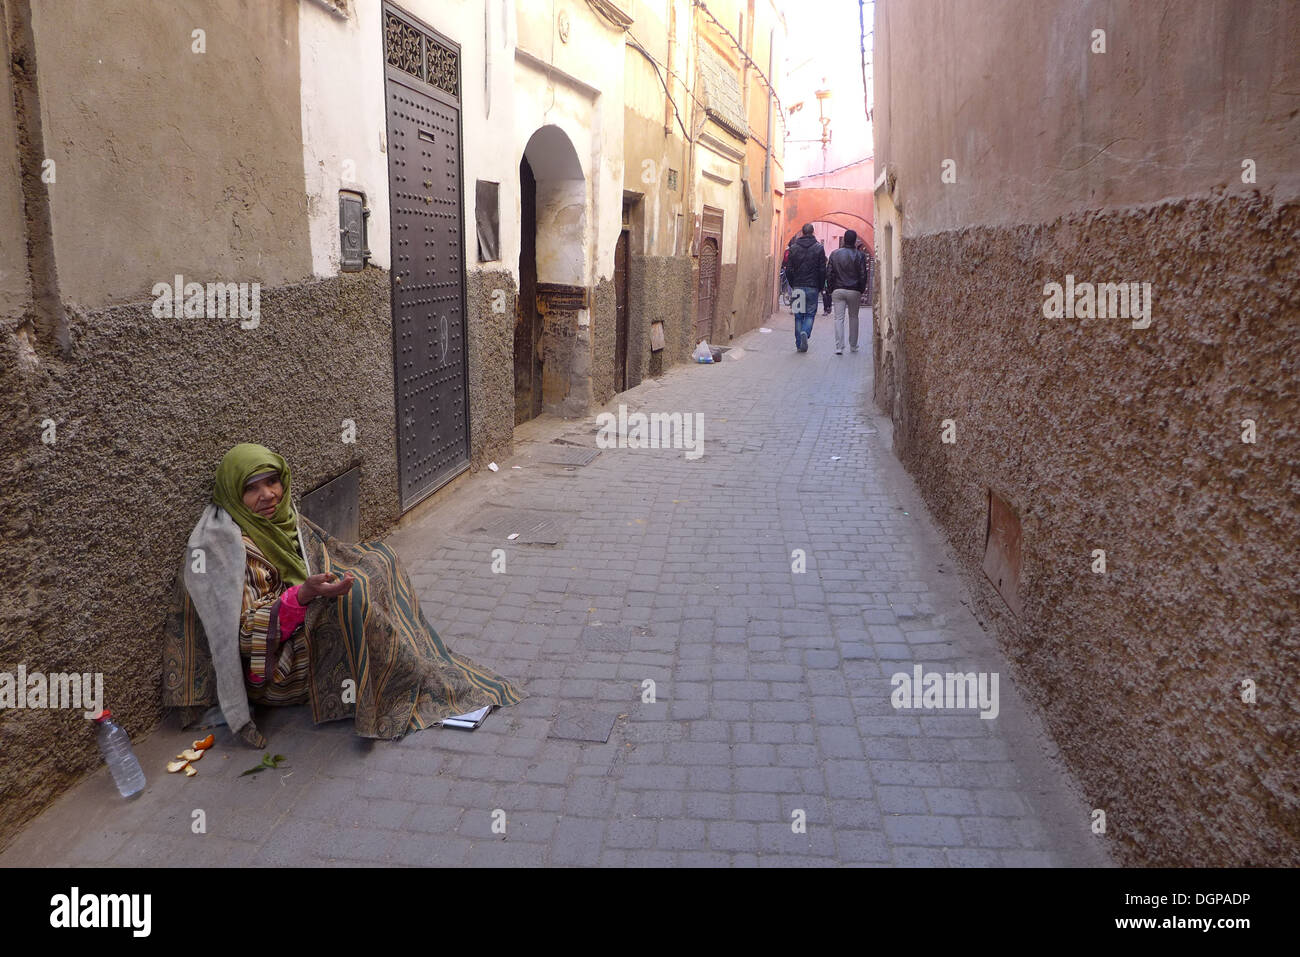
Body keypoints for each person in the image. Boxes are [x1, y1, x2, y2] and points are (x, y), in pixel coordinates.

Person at [163, 443, 524, 746]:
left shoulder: (279, 519)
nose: (268, 495)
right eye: (252, 488)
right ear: (233, 493)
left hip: (293, 618)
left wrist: (350, 571)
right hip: (270, 671)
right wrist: (303, 595)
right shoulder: (227, 550)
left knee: (380, 560)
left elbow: (324, 549)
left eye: (272, 482)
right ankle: (387, 684)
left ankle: (401, 665)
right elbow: (242, 636)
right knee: (351, 602)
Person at [826, 229, 870, 354]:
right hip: (854, 290)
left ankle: (839, 347)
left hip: (838, 289)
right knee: (854, 317)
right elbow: (863, 274)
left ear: (844, 239)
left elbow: (829, 273)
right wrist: (861, 289)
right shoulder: (860, 255)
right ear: (855, 240)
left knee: (838, 318)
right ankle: (853, 345)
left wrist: (830, 289)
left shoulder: (834, 254)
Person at [785, 223, 826, 352]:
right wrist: (820, 286)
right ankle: (805, 332)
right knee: (809, 314)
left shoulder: (794, 248)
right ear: (813, 232)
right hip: (812, 287)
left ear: (802, 232)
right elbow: (822, 270)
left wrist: (793, 283)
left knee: (798, 316)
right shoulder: (819, 248)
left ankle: (799, 343)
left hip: (798, 285)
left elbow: (789, 269)